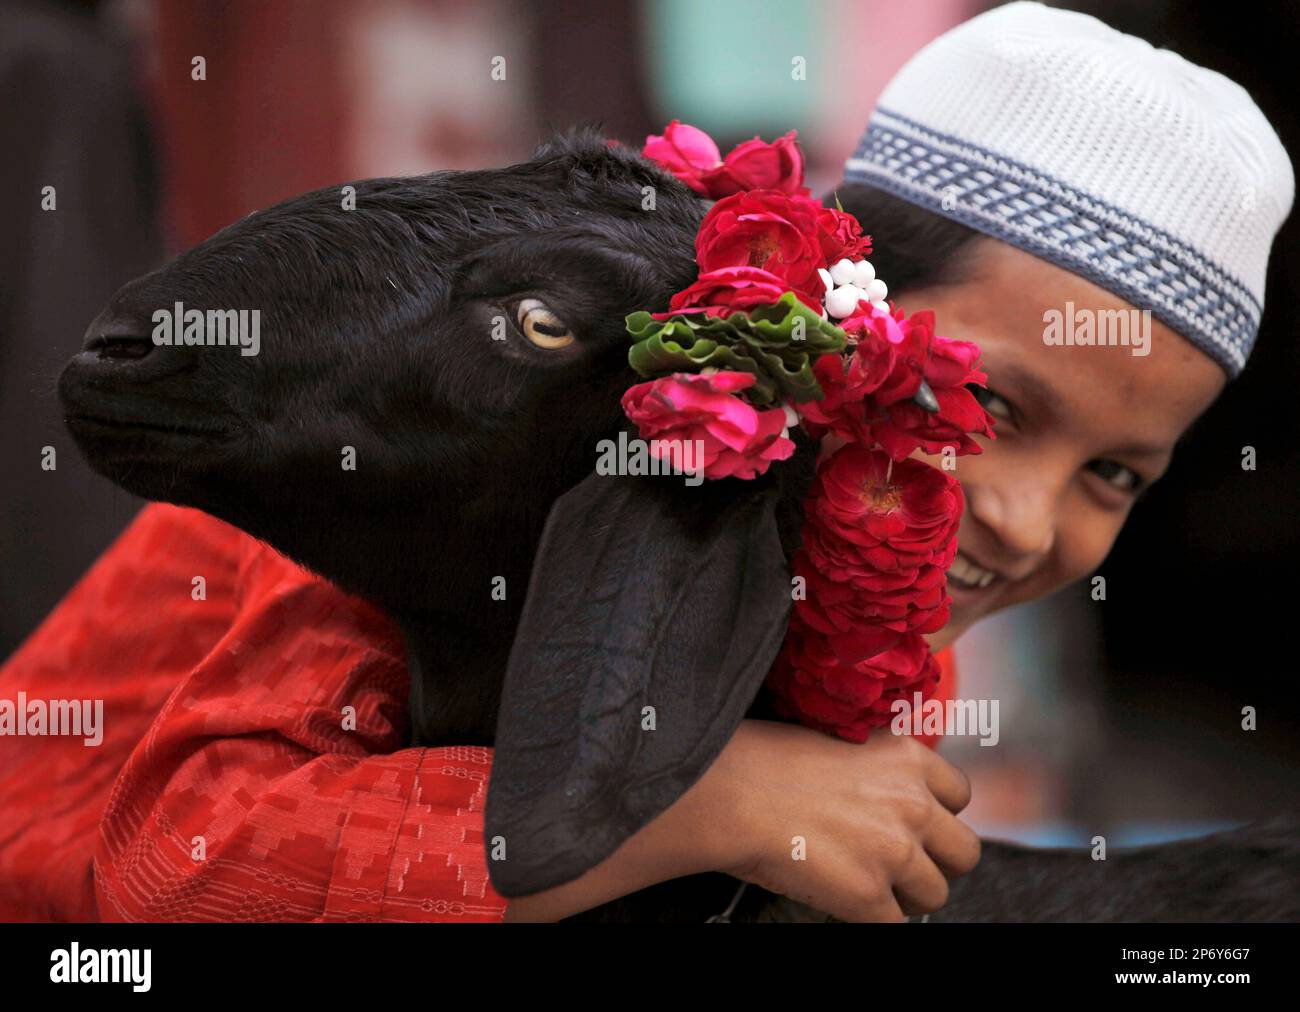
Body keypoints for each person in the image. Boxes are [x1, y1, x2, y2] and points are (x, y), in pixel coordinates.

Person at [0, 2, 1291, 923]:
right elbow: (172, 868)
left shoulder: (887, 611)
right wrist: (704, 807)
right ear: (832, 309)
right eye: (997, 404)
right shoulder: (476, 455)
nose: (1022, 517)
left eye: (1114, 476)